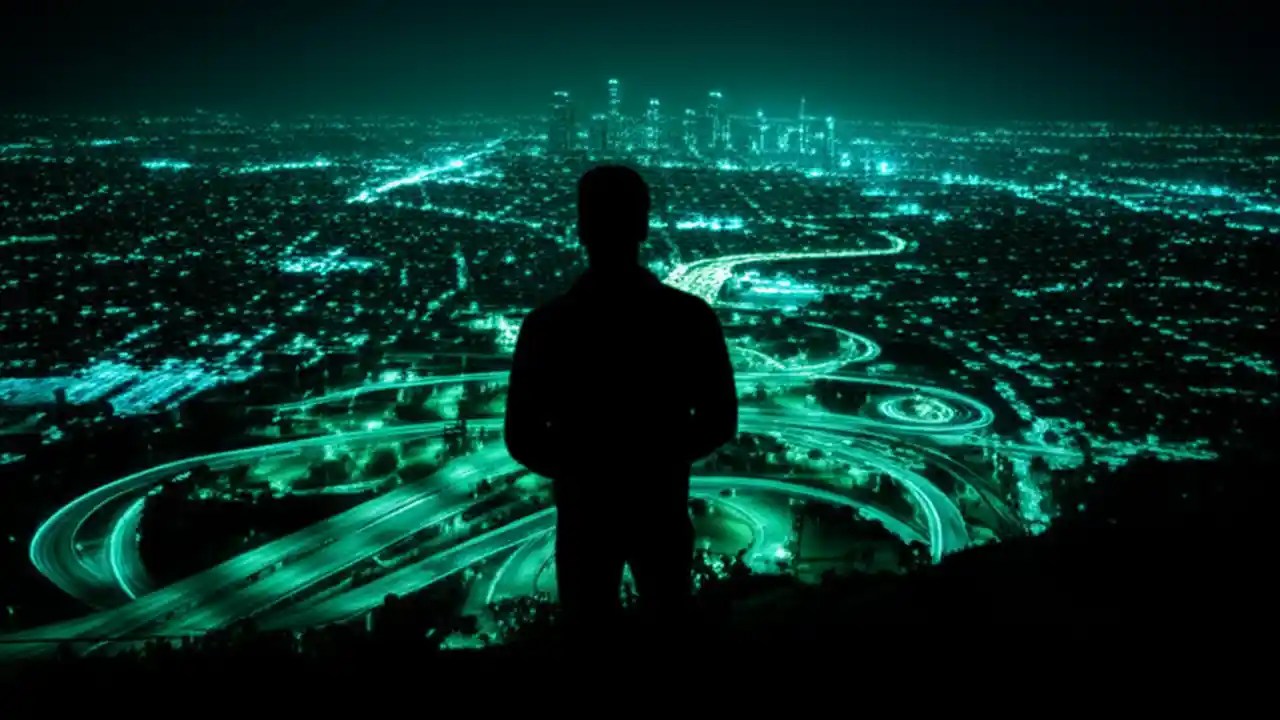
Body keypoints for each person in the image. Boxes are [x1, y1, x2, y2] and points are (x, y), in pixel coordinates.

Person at [505, 165, 738, 647]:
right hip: (660, 507)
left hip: (584, 516)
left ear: (580, 230)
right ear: (644, 228)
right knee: (671, 625)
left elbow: (522, 435)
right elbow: (719, 419)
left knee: (589, 634)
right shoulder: (689, 319)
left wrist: (582, 467)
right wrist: (658, 458)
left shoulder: (547, 326)